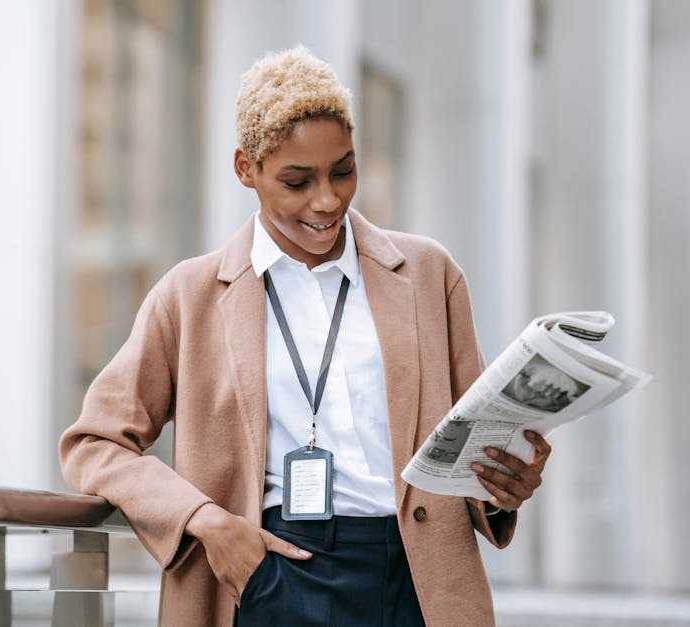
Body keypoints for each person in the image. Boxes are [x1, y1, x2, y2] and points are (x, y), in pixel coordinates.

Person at [59, 46, 553, 626]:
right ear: (246, 169)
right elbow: (94, 445)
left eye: (343, 170)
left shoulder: (427, 274)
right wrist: (205, 519)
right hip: (273, 573)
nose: (328, 200)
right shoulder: (188, 296)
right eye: (298, 181)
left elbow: (471, 434)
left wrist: (504, 483)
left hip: (421, 576)